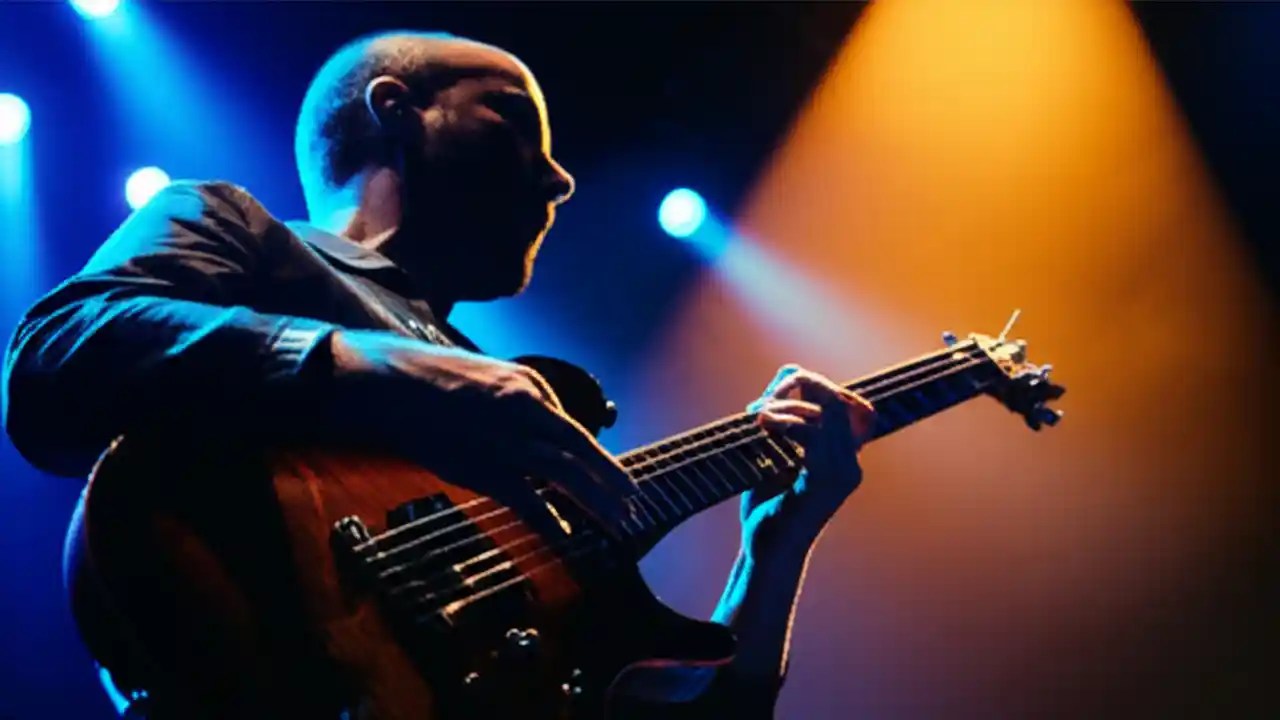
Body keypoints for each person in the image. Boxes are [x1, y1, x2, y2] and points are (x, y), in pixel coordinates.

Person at [1, 31, 874, 719]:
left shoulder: (510, 398)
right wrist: (391, 367)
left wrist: (778, 541)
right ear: (398, 107)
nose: (561, 177)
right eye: (512, 120)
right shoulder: (234, 227)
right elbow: (57, 355)